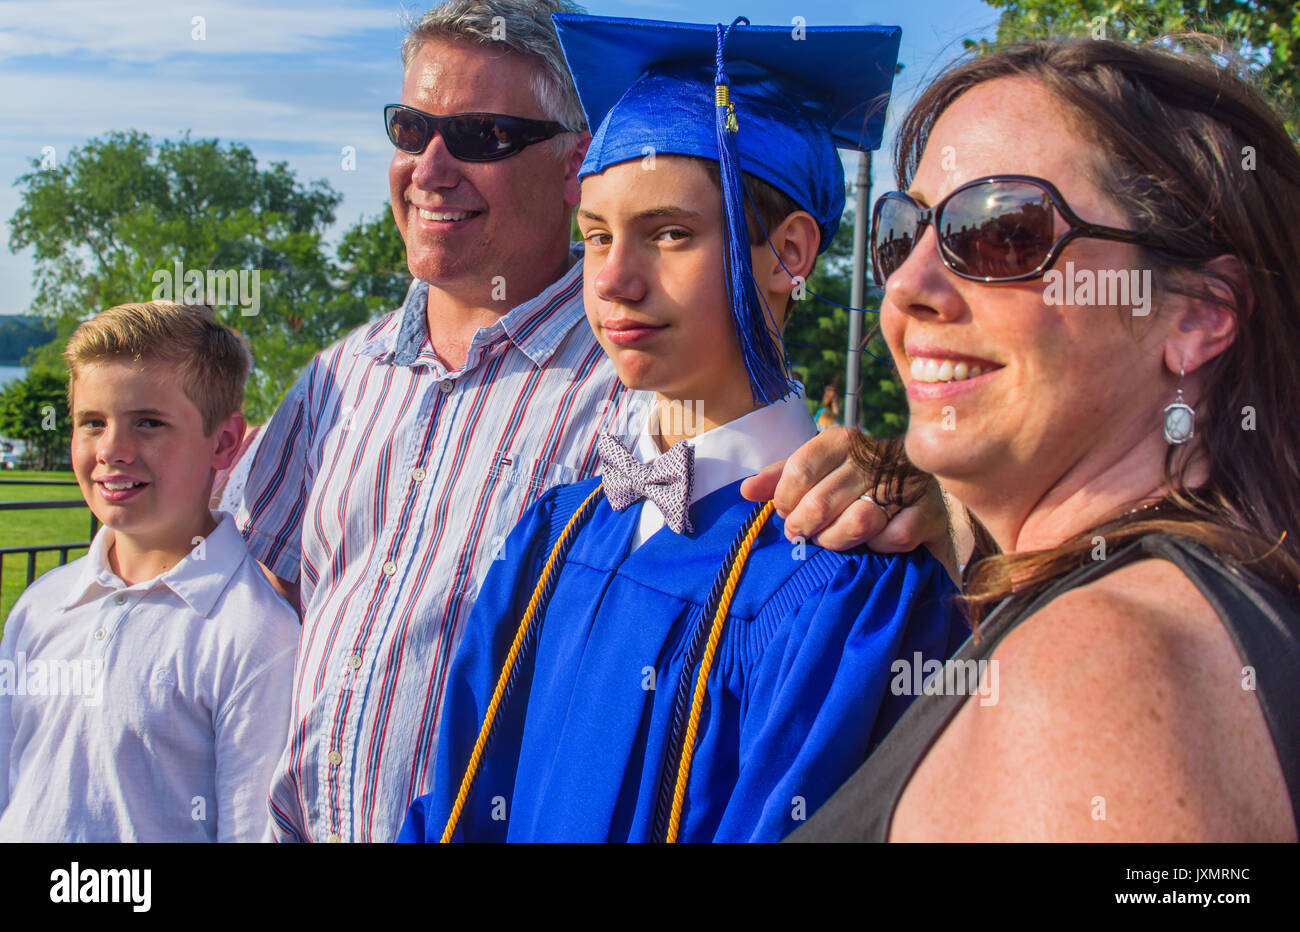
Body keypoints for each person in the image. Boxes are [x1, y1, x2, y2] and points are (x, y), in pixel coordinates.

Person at [237, 0, 953, 843]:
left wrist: (931, 484)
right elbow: (457, 808)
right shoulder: (554, 535)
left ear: (789, 255)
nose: (613, 279)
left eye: (672, 234)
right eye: (597, 235)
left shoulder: (853, 584)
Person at [791, 35, 1300, 841]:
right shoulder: (1209, 599)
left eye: (1003, 231)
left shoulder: (1105, 668)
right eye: (904, 232)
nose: (908, 289)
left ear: (1200, 314)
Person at [0, 302, 298, 842]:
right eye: (93, 422)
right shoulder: (40, 606)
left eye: (149, 424)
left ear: (225, 442)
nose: (112, 450)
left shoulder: (254, 633)